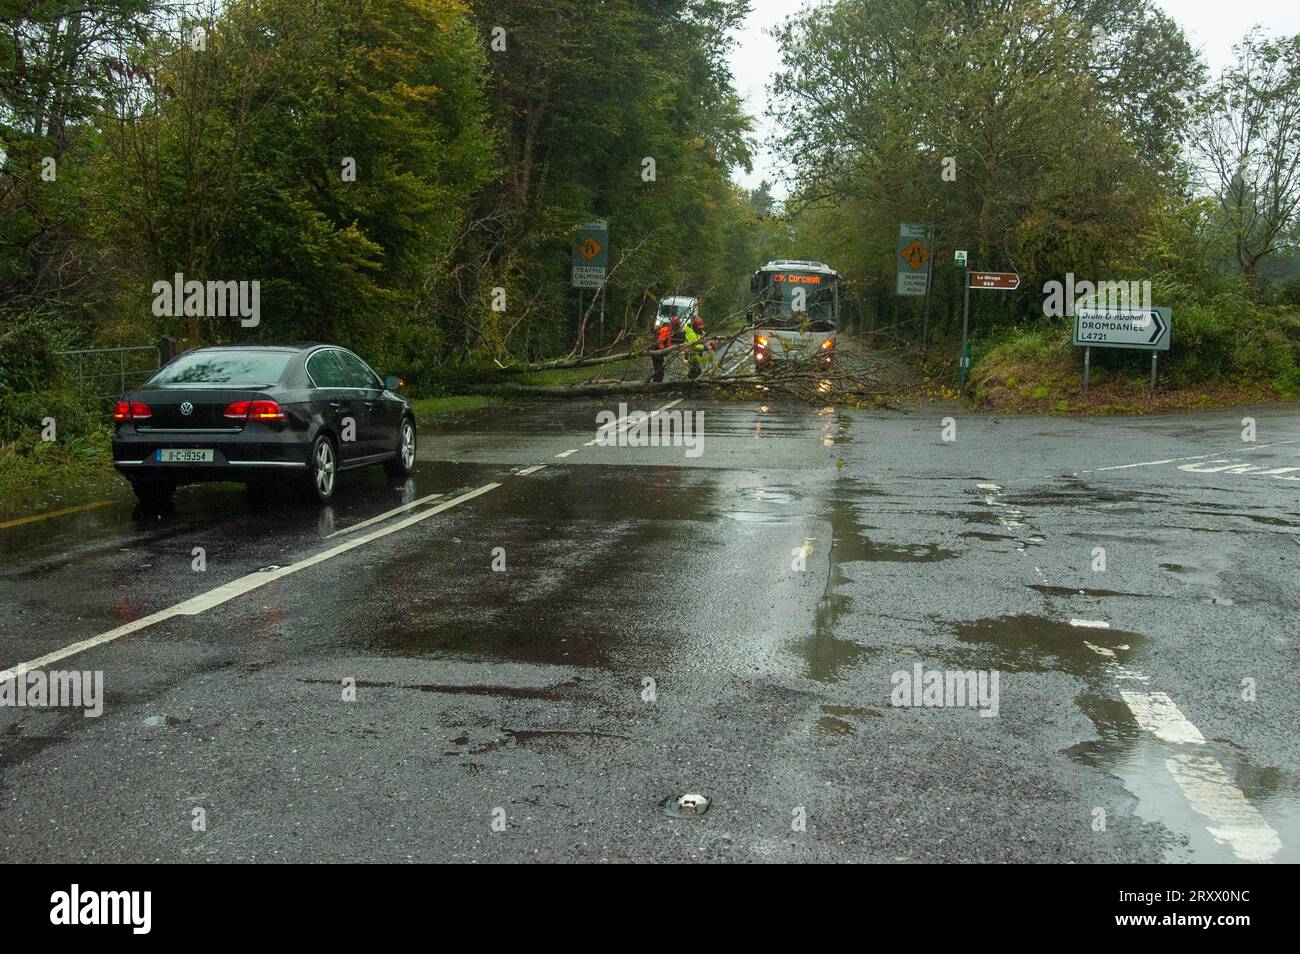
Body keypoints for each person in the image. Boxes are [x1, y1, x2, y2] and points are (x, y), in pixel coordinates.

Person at [650, 315, 679, 383]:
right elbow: (660, 342)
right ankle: (656, 383)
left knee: (661, 368)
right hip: (656, 350)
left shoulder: (670, 330)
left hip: (659, 350)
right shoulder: (666, 330)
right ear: (674, 325)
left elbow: (668, 341)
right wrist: (664, 351)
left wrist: (669, 348)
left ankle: (658, 382)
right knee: (659, 368)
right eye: (677, 325)